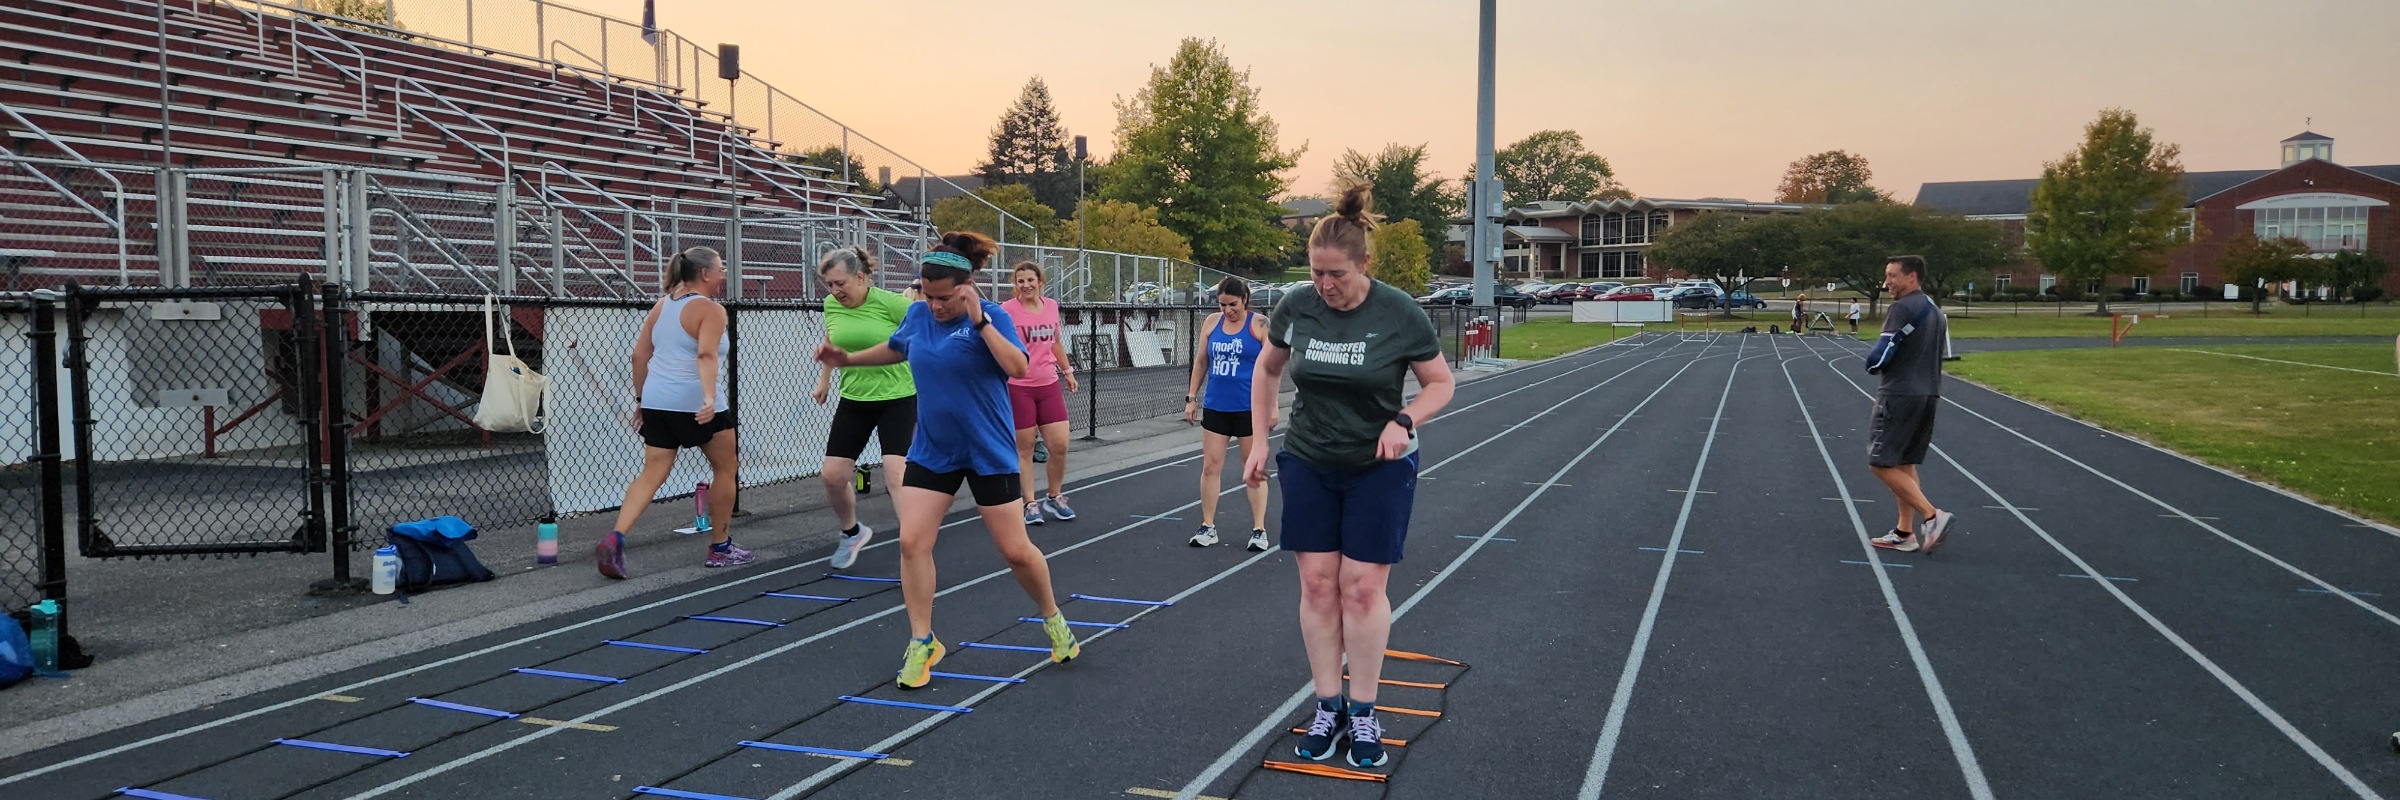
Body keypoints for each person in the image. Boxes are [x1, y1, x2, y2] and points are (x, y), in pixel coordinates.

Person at [1243, 186, 1454, 769]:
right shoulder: (1297, 306)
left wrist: (1403, 419)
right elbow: (1267, 371)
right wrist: (1261, 439)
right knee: (1316, 585)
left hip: (1379, 464)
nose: (1324, 285)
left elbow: (1441, 383)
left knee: (1361, 587)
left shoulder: (1398, 311)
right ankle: (1327, 705)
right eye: (1316, 273)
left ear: (1363, 264)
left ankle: (1363, 710)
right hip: (1310, 458)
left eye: (1335, 274)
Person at [813, 232, 1080, 690]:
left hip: (987, 450)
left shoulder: (991, 315)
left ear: (966, 286)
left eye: (944, 298)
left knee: (1016, 551)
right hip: (934, 449)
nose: (935, 306)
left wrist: (980, 323)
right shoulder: (918, 314)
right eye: (927, 295)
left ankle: (1053, 618)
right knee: (912, 543)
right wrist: (847, 359)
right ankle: (922, 641)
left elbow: (1017, 367)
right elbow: (898, 348)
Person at [595, 247, 752, 578]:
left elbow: (639, 356)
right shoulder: (710, 310)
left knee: (651, 473)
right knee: (726, 469)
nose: (724, 274)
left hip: (657, 400)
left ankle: (616, 536)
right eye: (721, 269)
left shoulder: (661, 305)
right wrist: (708, 398)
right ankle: (720, 548)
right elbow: (706, 356)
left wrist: (641, 399)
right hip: (696, 401)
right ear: (705, 274)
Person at [812, 245, 914, 570]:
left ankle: (913, 549)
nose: (834, 290)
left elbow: (920, 337)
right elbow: (833, 343)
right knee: (833, 475)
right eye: (829, 284)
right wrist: (824, 379)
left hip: (898, 395)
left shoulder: (893, 304)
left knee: (896, 476)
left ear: (860, 277)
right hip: (855, 397)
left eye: (840, 283)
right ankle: (852, 532)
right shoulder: (831, 305)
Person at [1864, 255, 1957, 554]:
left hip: (1900, 394)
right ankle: (1905, 532)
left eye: (1892, 276)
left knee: (1879, 463)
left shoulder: (1902, 308)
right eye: (1886, 275)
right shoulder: (1934, 309)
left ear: (1912, 277)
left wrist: (1871, 364)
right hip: (1928, 393)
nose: (1887, 282)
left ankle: (1932, 515)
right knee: (1904, 462)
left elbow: (1880, 355)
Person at [1183, 277, 1272, 551]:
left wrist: (1271, 407)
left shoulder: (1259, 325)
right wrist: (1191, 398)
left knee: (1252, 469)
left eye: (1232, 304)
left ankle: (1259, 529)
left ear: (1244, 299)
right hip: (1217, 406)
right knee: (1210, 466)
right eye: (1222, 304)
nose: (1227, 310)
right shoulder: (1211, 323)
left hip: (1249, 408)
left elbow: (1273, 367)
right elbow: (1201, 362)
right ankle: (1208, 525)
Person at [1001, 262, 1079, 526]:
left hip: (1048, 384)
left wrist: (1067, 370)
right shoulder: (1007, 310)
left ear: (1040, 281)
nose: (1026, 285)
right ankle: (1029, 503)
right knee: (1025, 448)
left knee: (1060, 445)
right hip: (1019, 386)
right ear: (1015, 284)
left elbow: (1055, 341)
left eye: (1030, 280)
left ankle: (1054, 496)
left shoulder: (1051, 306)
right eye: (1020, 281)